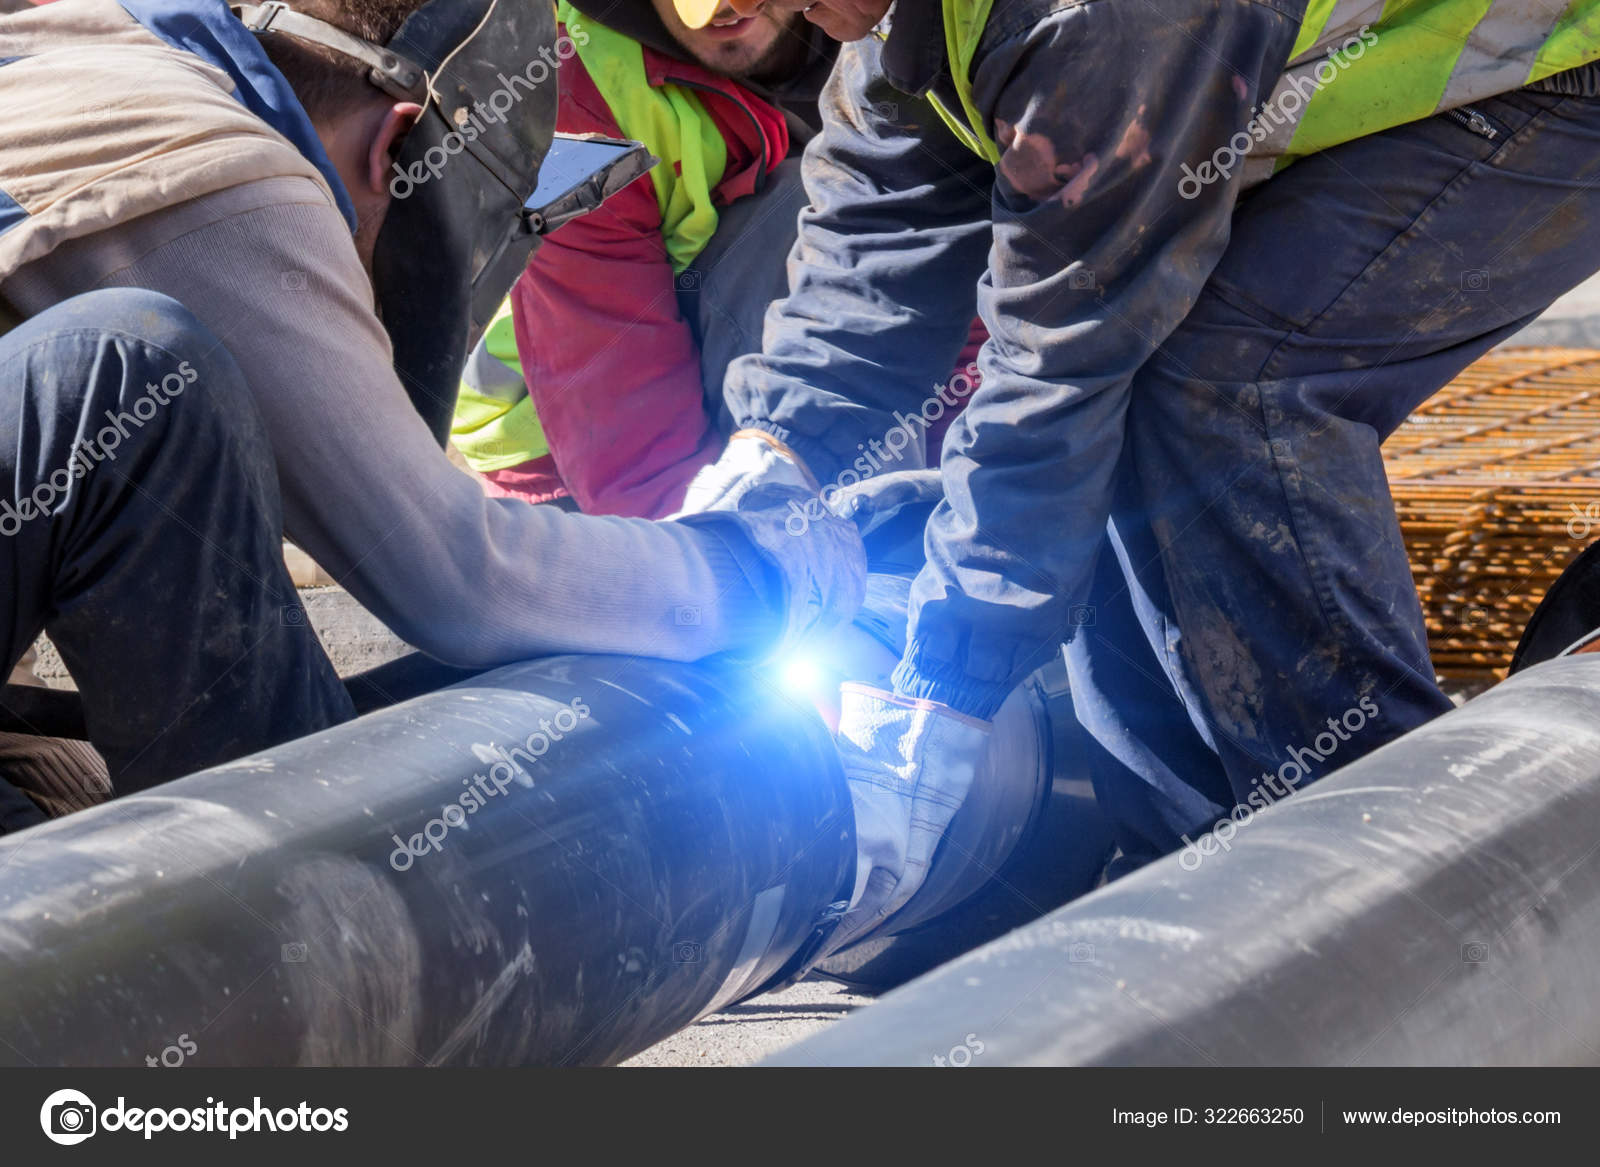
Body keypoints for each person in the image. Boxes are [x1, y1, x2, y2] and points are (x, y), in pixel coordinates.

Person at [676, 0, 1600, 950]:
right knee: (1144, 394)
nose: (785, 11)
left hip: (1553, 56)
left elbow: (1063, 352)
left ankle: (1412, 909)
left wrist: (946, 682)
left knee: (1234, 378)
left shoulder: (1088, 19)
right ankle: (1190, 900)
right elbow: (885, 214)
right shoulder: (901, 23)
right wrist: (774, 448)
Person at [0, 0, 859, 827]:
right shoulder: (223, 176)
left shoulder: (84, 48)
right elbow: (460, 579)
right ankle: (290, 926)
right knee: (128, 370)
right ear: (401, 144)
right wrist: (755, 573)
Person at [449, 0, 839, 518]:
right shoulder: (572, 95)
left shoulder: (885, 30)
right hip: (568, 445)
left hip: (693, 351)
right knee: (811, 210)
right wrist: (718, 562)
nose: (724, 8)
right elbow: (617, 407)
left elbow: (935, 259)